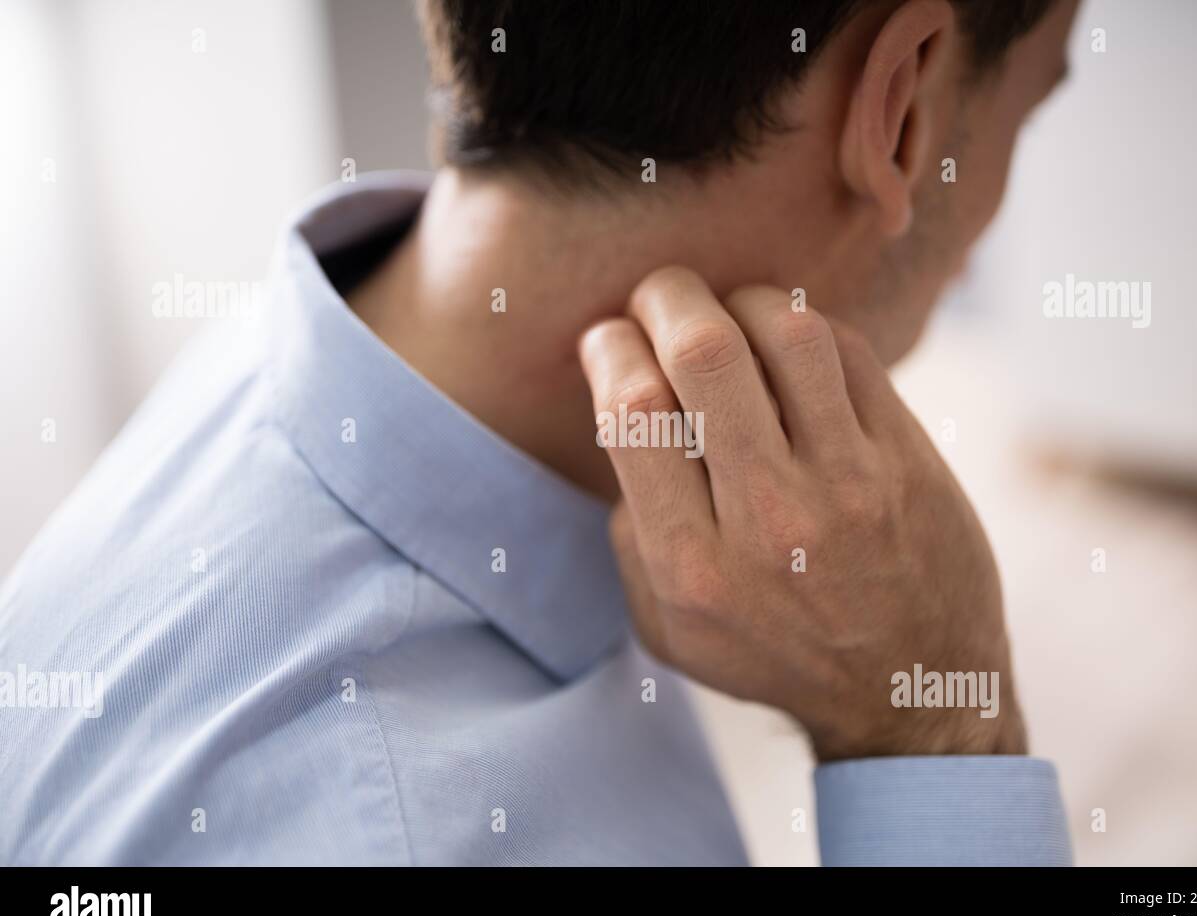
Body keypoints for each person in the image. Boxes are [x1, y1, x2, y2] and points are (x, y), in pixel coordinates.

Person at [0, 0, 1079, 864]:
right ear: (900, 109)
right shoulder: (401, 828)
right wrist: (941, 734)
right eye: (1026, 114)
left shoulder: (294, 350)